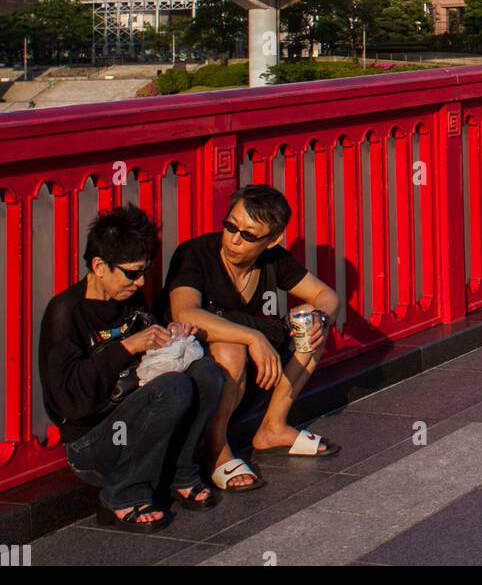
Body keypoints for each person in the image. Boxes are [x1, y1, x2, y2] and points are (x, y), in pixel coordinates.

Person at [38, 204, 224, 531]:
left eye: (144, 272)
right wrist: (128, 347)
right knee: (173, 387)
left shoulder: (130, 299)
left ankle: (182, 473)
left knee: (206, 372)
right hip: (92, 443)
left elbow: (152, 363)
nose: (140, 282)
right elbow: (70, 401)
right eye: (131, 273)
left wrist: (174, 338)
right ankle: (123, 495)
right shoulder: (66, 312)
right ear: (98, 266)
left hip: (141, 425)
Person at [165, 184, 341, 492]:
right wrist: (253, 337)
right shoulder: (195, 253)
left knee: (310, 319)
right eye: (230, 226)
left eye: (249, 235)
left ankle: (273, 425)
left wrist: (321, 319)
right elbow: (184, 314)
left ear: (272, 240)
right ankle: (217, 450)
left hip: (251, 364)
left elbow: (326, 295)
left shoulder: (273, 260)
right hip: (196, 364)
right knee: (231, 346)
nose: (234, 239)